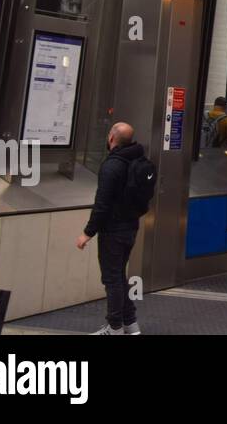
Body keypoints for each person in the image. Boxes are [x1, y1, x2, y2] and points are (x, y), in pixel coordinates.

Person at [76, 122, 155, 335]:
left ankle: (115, 328)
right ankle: (130, 324)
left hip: (113, 230)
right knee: (119, 276)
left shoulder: (112, 165)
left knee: (112, 279)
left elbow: (102, 204)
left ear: (111, 138)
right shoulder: (137, 160)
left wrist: (87, 233)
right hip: (131, 227)